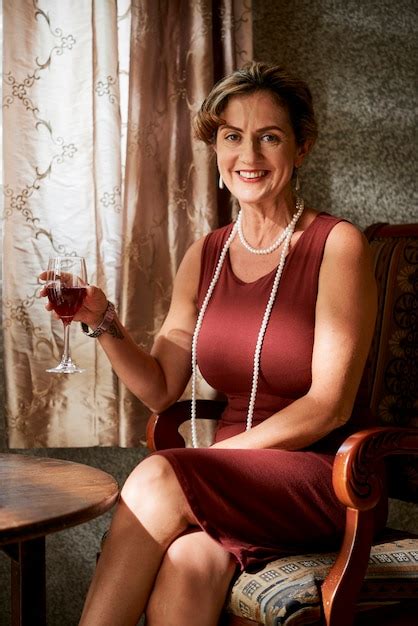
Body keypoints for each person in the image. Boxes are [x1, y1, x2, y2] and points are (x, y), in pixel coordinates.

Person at [42, 62, 386, 626]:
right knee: (188, 563)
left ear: (301, 149)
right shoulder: (205, 253)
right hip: (218, 478)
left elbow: (330, 406)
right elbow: (160, 389)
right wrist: (101, 321)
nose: (247, 155)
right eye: (232, 136)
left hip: (321, 477)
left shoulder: (336, 244)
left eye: (268, 137)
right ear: (217, 149)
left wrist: (205, 460)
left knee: (157, 473)